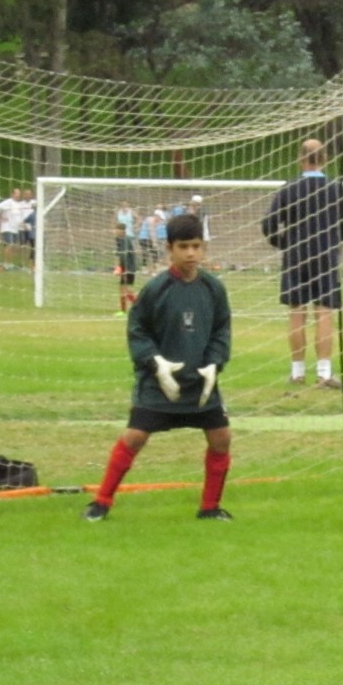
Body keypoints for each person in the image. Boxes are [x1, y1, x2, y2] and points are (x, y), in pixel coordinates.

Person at [82, 213, 234, 523]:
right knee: (134, 437)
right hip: (159, 382)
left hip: (200, 383)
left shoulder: (214, 289)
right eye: (183, 247)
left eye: (196, 246)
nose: (191, 253)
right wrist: (156, 364)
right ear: (169, 249)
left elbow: (221, 331)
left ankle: (209, 508)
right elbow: (137, 331)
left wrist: (214, 366)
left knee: (221, 437)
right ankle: (101, 502)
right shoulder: (156, 289)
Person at [263, 137, 343, 390]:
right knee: (324, 311)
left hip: (296, 257)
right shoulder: (335, 188)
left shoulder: (288, 187)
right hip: (325, 256)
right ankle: (324, 373)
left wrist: (285, 243)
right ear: (324, 158)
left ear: (300, 158)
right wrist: (332, 241)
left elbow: (269, 225)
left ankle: (297, 372)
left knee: (296, 311)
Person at [113, 202, 137, 309]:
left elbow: (124, 254)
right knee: (123, 288)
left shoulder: (125, 240)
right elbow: (119, 254)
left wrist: (121, 268)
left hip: (128, 268)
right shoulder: (119, 239)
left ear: (122, 231)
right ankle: (123, 310)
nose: (115, 232)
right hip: (126, 267)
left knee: (124, 289)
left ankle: (137, 304)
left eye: (117, 230)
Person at [0, 188, 22, 268]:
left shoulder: (18, 204)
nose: (18, 195)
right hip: (7, 227)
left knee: (12, 246)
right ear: (12, 194)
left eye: (19, 193)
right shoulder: (8, 202)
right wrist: (1, 217)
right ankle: (6, 263)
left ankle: (9, 262)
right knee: (9, 244)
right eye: (16, 193)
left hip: (15, 229)